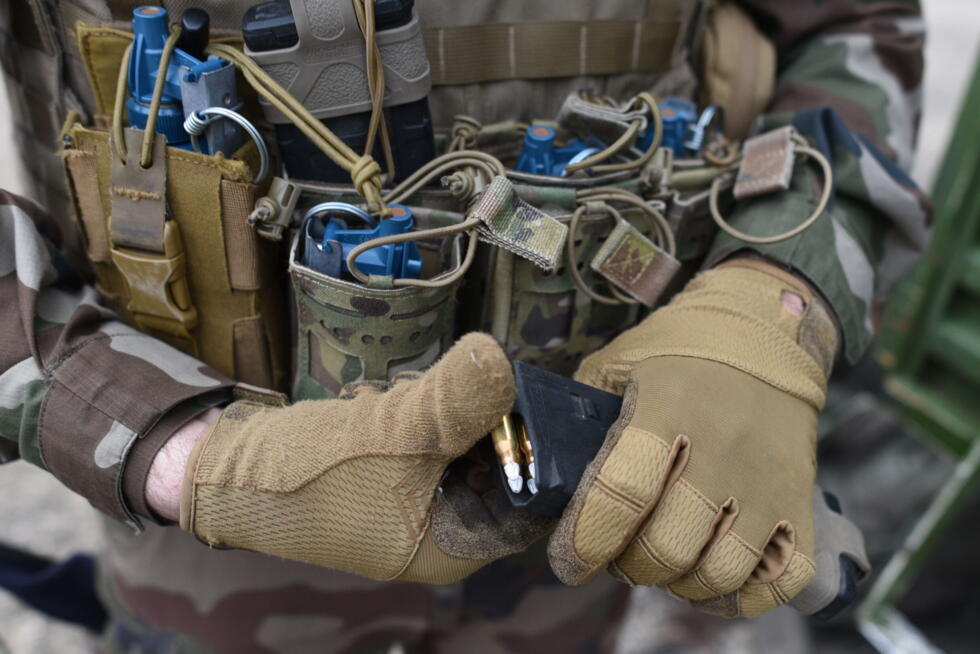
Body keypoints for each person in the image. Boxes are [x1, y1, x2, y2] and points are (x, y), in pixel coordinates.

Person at [0, 0, 929, 651]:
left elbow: (854, 27)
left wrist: (770, 301)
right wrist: (190, 460)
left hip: (592, 480)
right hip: (224, 531)